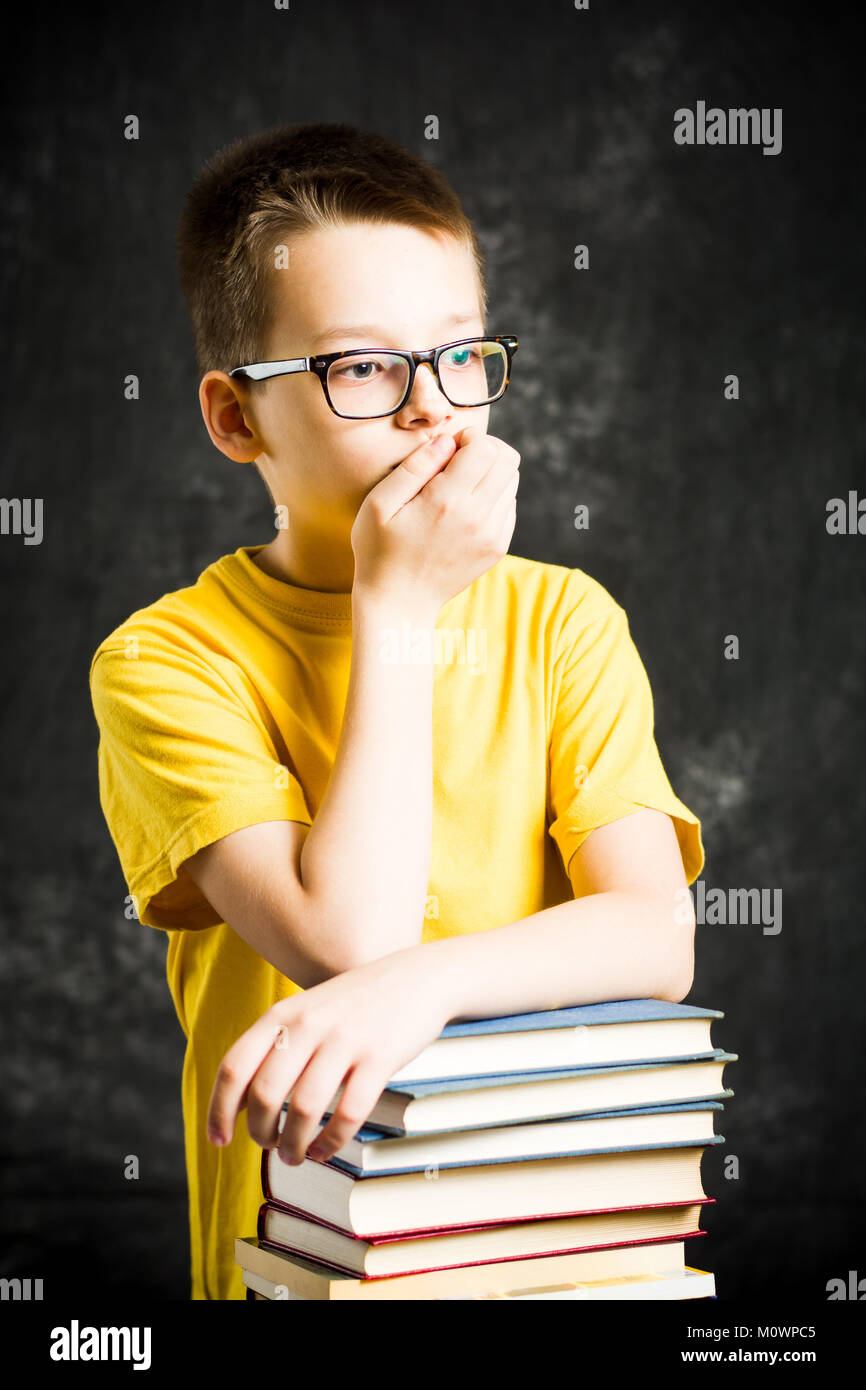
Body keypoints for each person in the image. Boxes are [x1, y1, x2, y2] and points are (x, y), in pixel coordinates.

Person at [89, 122, 705, 1300]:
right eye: (362, 368)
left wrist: (427, 983)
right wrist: (398, 603)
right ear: (236, 420)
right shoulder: (166, 660)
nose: (435, 411)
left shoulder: (562, 621)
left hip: (543, 1248)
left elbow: (653, 935)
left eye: (461, 355)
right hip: (303, 1261)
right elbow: (350, 943)